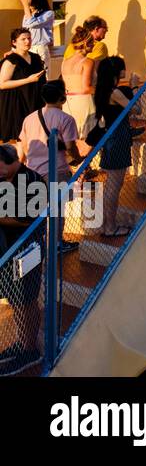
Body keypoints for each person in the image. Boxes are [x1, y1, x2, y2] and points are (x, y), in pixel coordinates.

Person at [18, 80, 88, 254]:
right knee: (58, 209)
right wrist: (79, 160)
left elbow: (24, 147)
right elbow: (71, 147)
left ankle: (37, 245)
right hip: (56, 169)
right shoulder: (66, 119)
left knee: (36, 210)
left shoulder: (29, 118)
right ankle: (57, 243)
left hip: (33, 171)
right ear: (62, 97)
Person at [0, 141, 43, 373]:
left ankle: (29, 351)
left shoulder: (32, 181)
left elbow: (27, 219)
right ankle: (21, 343)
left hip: (28, 249)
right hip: (11, 251)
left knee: (27, 300)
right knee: (17, 301)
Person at [85, 57, 138, 237]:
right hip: (118, 137)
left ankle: (109, 224)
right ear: (116, 71)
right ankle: (110, 226)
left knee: (113, 182)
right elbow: (136, 109)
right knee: (114, 184)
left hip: (111, 136)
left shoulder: (101, 89)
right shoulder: (114, 92)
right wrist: (134, 87)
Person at [0, 28, 46, 142]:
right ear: (14, 42)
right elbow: (2, 84)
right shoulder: (11, 60)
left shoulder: (35, 57)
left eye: (29, 38)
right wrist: (28, 80)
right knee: (20, 138)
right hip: (17, 103)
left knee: (36, 135)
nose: (27, 41)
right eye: (23, 39)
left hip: (34, 101)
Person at [60, 25, 97, 135]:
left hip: (67, 103)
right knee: (89, 137)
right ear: (86, 44)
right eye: (91, 42)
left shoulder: (65, 62)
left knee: (71, 137)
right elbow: (86, 88)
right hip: (84, 102)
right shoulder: (88, 62)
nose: (94, 44)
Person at [20, 0, 54, 76]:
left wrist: (26, 7)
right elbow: (24, 31)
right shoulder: (27, 14)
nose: (25, 0)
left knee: (43, 76)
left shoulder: (48, 14)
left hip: (40, 48)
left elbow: (33, 23)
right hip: (28, 48)